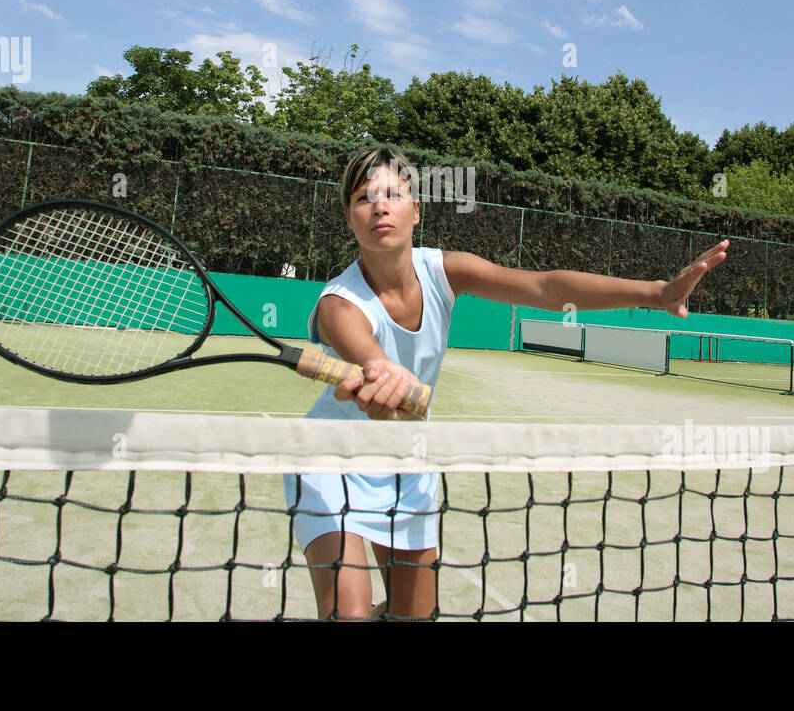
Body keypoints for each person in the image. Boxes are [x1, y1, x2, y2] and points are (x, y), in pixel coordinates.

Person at [284, 146, 729, 620]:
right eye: (362, 198)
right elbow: (371, 357)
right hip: (332, 462)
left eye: (393, 193)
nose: (379, 206)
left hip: (407, 464)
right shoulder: (339, 305)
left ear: (416, 211)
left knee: (411, 616)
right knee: (348, 616)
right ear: (349, 219)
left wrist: (657, 293)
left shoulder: (446, 271)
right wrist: (386, 377)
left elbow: (545, 288)